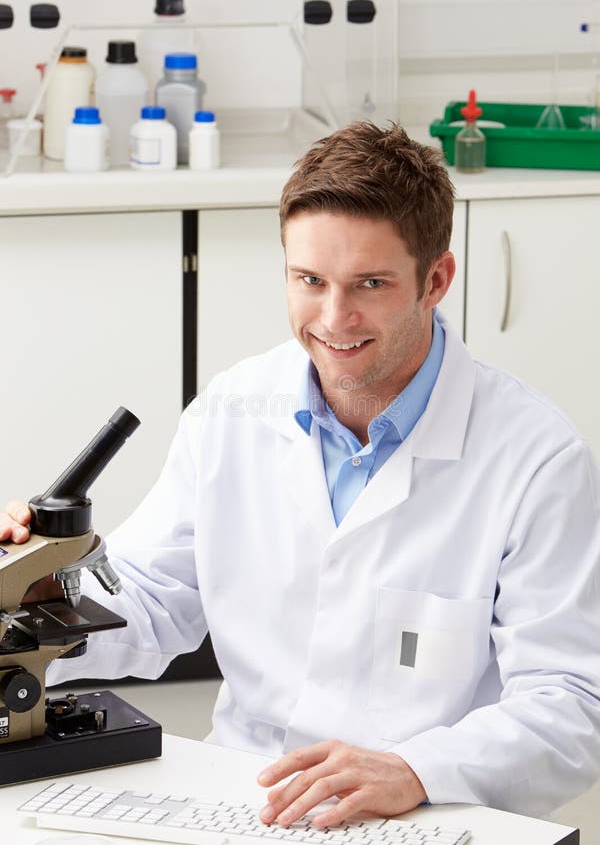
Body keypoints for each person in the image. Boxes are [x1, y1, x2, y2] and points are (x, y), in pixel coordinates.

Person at [2, 122, 600, 825]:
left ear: (435, 279)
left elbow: (573, 700)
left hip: (431, 812)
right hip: (241, 795)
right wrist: (34, 593)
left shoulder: (536, 458)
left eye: (370, 284)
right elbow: (151, 596)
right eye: (309, 281)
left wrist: (419, 768)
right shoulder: (231, 411)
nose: (333, 317)